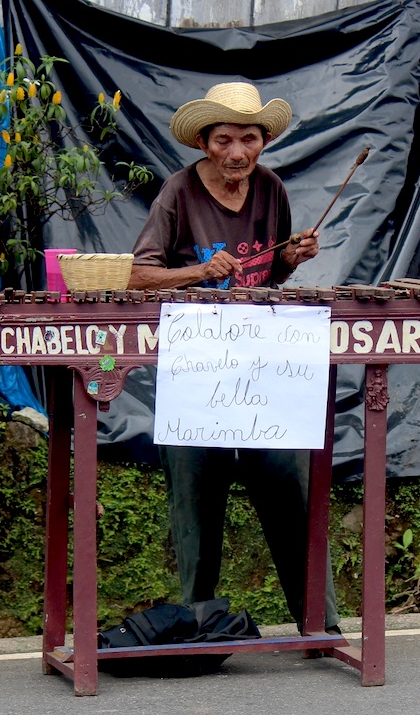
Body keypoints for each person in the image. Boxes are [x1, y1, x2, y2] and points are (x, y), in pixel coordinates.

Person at [129, 81, 341, 632]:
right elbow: (137, 276)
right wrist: (199, 272)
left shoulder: (270, 189)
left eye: (249, 139)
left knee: (292, 485)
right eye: (224, 139)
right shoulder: (177, 192)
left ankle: (321, 628)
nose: (237, 152)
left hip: (263, 369)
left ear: (263, 142)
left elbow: (267, 276)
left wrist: (291, 258)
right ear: (204, 141)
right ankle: (197, 627)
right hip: (195, 376)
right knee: (196, 498)